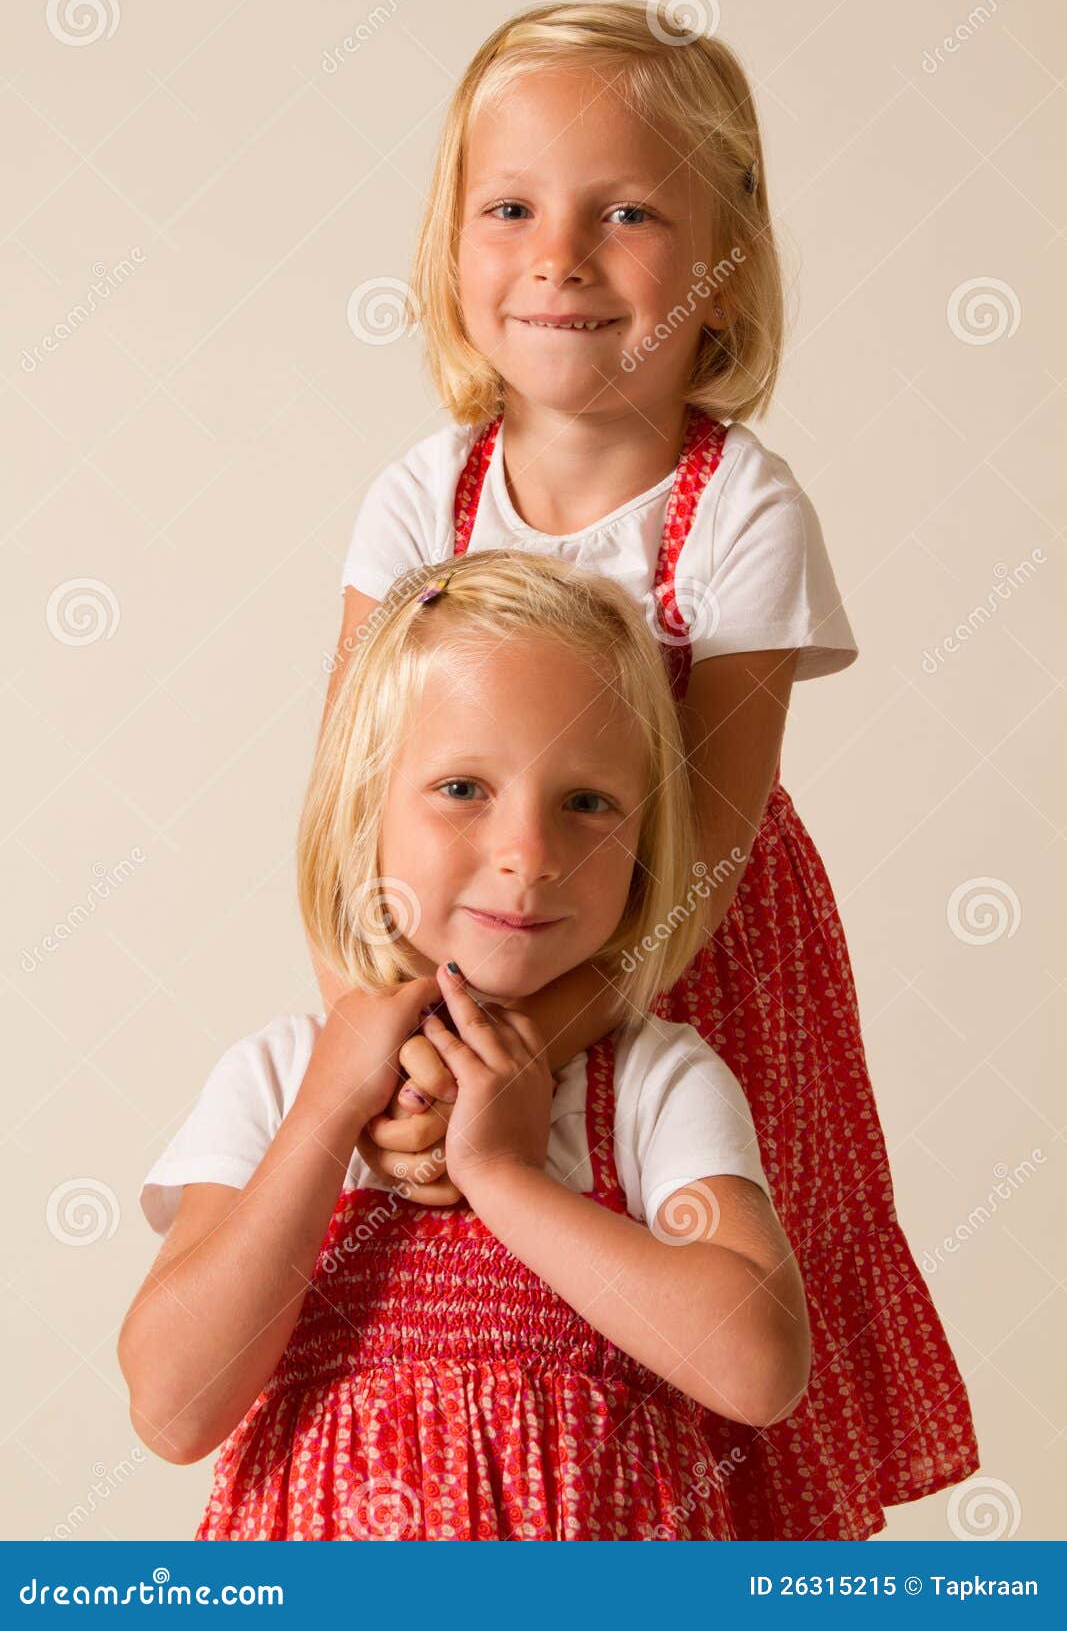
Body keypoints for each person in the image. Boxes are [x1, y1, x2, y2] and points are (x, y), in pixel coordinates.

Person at [316, 0, 980, 1539]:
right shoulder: (423, 496)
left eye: (625, 213)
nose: (557, 255)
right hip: (454, 980)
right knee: (481, 1313)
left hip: (677, 970)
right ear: (453, 239)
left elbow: (703, 855)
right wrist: (399, 1061)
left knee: (686, 1339)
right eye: (511, 208)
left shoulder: (736, 508)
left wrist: (539, 1049)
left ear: (719, 263)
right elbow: (351, 811)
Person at [121, 550, 809, 1540]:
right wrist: (325, 1113)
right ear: (364, 809)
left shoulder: (658, 1083)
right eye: (460, 786)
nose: (527, 852)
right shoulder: (276, 1079)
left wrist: (503, 1174)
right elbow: (173, 1406)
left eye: (587, 801)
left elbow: (757, 1366)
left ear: (645, 840)